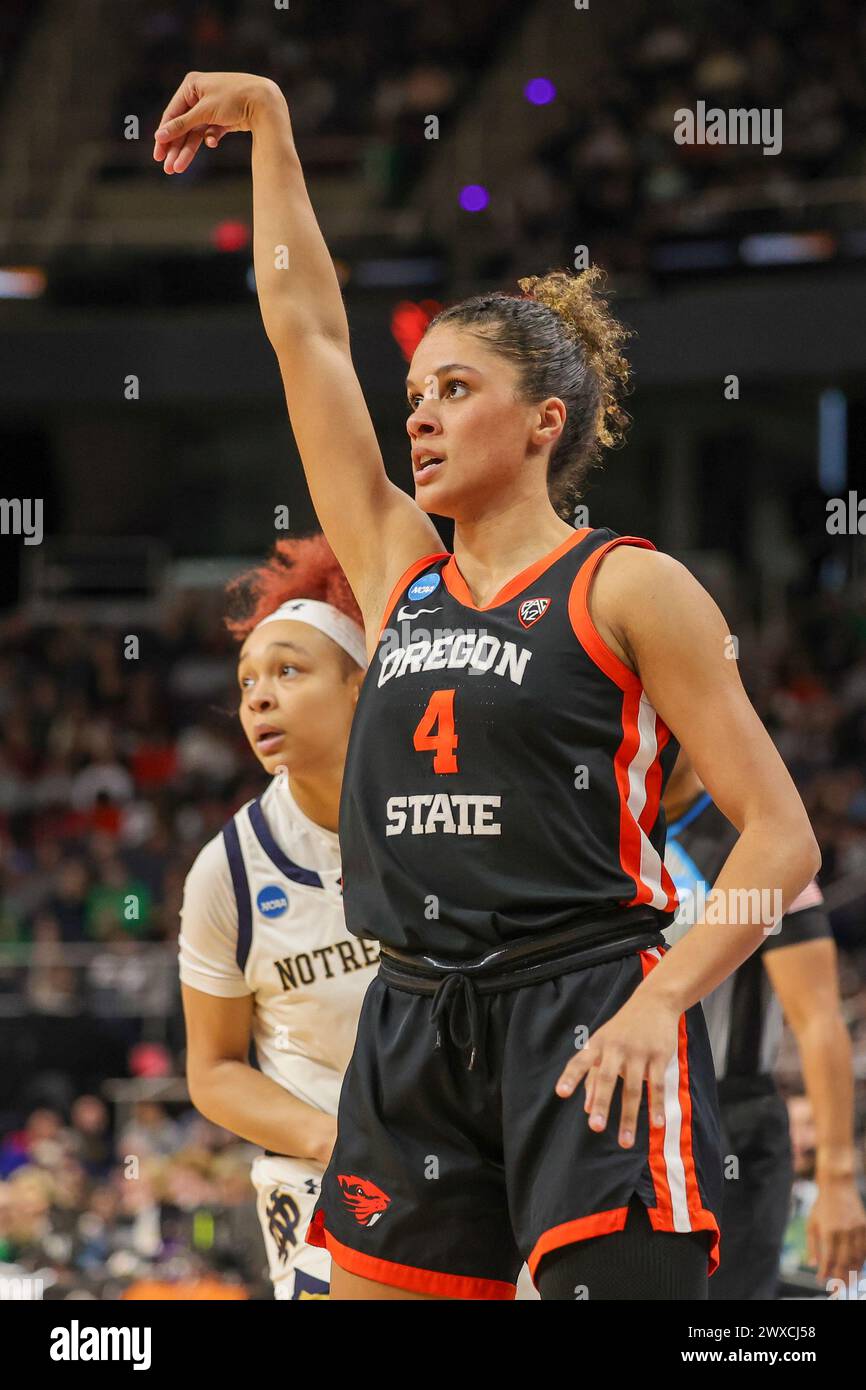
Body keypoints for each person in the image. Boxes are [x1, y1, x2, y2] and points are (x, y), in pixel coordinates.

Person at [155, 73, 821, 1301]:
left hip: (586, 1008)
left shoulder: (628, 586)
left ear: (540, 423)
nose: (419, 417)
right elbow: (303, 331)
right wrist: (275, 134)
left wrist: (659, 998)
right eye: (414, 395)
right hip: (413, 1018)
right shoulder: (396, 568)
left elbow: (778, 841)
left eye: (454, 391)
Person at [178, 534, 379, 1299]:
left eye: (289, 671)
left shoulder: (446, 828)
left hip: (469, 1167)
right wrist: (335, 1140)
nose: (257, 697)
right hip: (320, 1182)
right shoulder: (225, 873)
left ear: (364, 685)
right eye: (247, 680)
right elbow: (216, 1070)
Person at [662, 747, 866, 1299]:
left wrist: (837, 1178)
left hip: (732, 1127)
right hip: (624, 1119)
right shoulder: (606, 835)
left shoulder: (757, 841)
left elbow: (819, 1017)